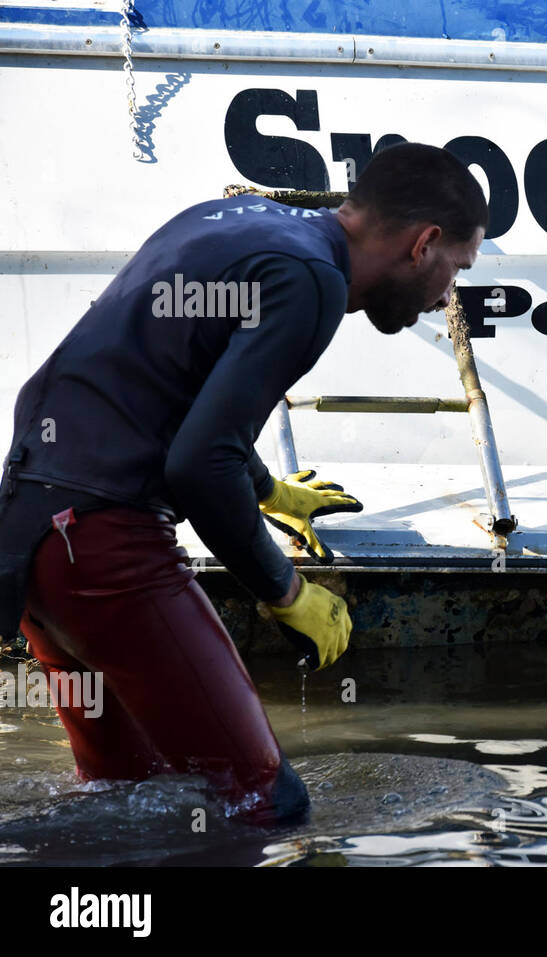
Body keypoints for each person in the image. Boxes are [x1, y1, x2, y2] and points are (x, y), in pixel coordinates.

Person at [0, 143, 487, 824]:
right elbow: (199, 466)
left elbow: (173, 386)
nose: (446, 298)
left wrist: (266, 489)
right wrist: (286, 593)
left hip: (33, 532)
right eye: (456, 270)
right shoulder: (312, 280)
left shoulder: (241, 220)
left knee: (127, 799)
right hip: (103, 544)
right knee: (267, 802)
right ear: (424, 244)